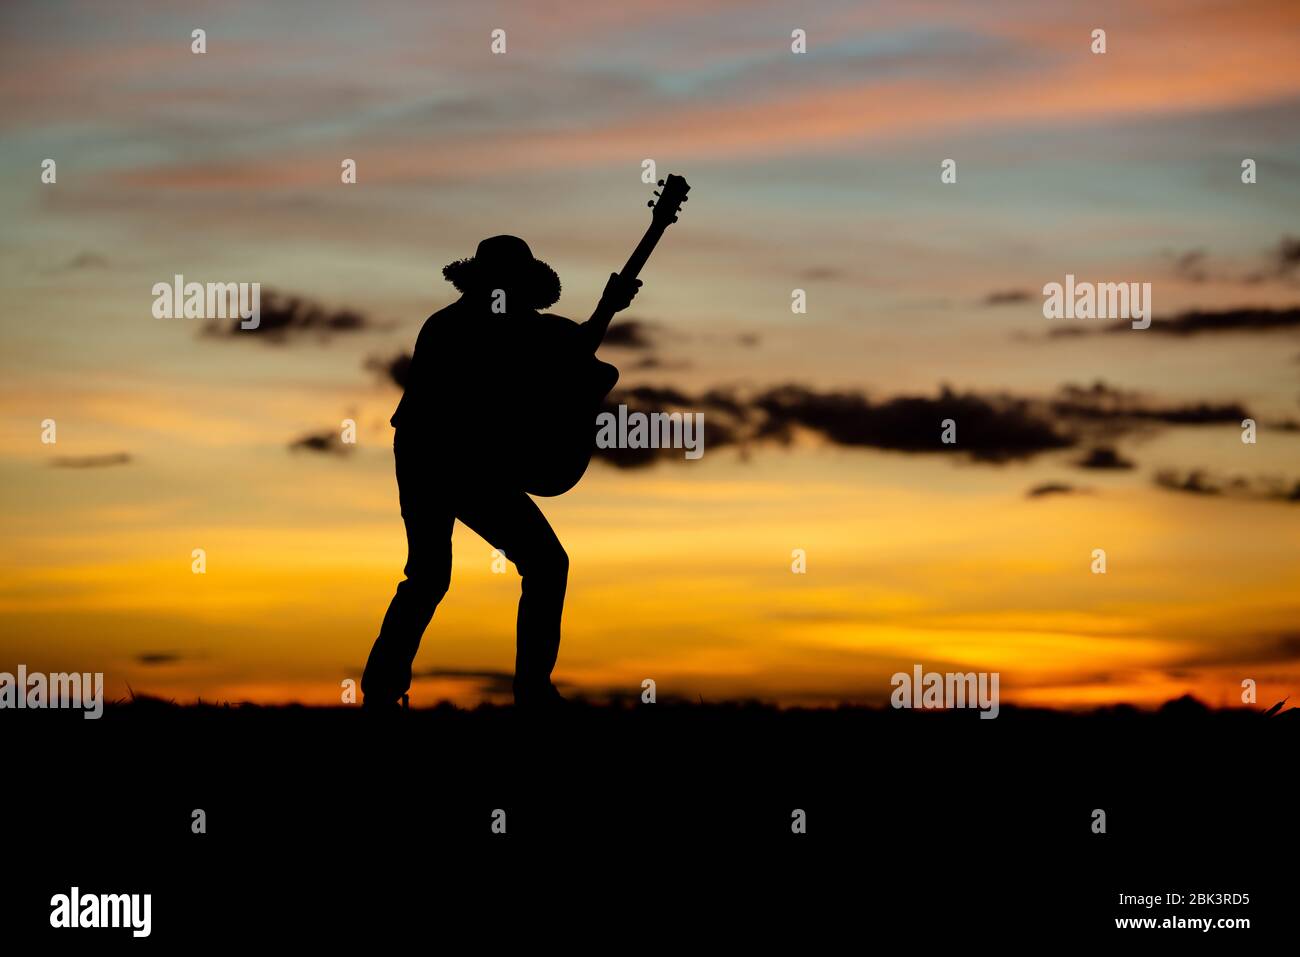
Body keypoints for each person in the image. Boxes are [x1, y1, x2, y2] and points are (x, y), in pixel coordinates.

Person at [361, 235, 641, 710]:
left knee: (433, 577)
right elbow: (563, 353)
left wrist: (605, 308)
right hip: (446, 460)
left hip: (441, 459)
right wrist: (601, 312)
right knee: (526, 566)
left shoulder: (496, 325)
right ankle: (527, 692)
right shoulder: (470, 327)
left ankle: (385, 694)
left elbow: (569, 350)